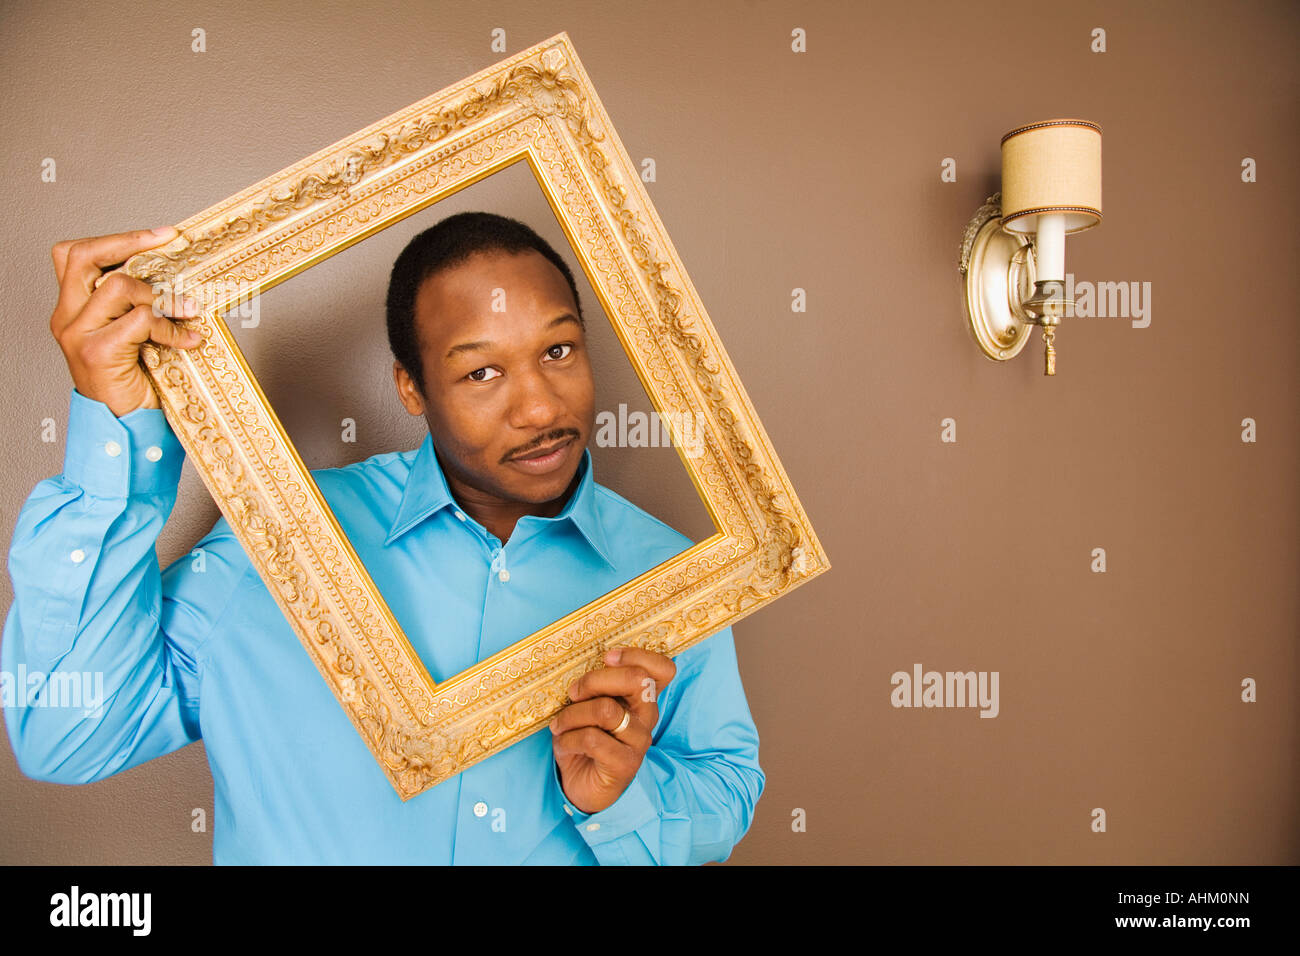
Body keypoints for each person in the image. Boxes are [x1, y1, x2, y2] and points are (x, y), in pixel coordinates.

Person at [2, 212, 764, 864]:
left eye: (558, 351)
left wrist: (627, 797)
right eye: (481, 374)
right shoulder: (280, 536)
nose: (538, 408)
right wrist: (117, 441)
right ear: (410, 387)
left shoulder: (672, 574)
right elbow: (66, 731)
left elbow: (726, 789)